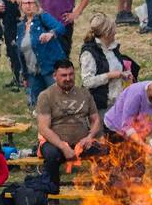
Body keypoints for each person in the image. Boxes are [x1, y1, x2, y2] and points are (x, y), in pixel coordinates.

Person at [38, 58, 103, 189]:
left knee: (104, 151)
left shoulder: (84, 93)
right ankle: (52, 196)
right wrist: (63, 147)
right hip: (55, 144)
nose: (68, 78)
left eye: (71, 74)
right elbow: (43, 128)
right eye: (63, 75)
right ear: (54, 75)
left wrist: (90, 137)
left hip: (82, 142)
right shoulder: (46, 96)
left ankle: (103, 193)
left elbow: (96, 119)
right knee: (52, 155)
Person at [16, 0, 67, 105]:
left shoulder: (43, 18)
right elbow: (20, 54)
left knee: (58, 102)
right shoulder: (20, 26)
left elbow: (61, 27)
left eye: (31, 2)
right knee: (39, 106)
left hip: (49, 69)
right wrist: (24, 75)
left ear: (36, 4)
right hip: (32, 73)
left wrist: (51, 34)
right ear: (21, 6)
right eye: (25, 3)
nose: (28, 6)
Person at [80, 13, 137, 115]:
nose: (115, 33)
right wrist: (110, 75)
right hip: (100, 106)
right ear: (106, 33)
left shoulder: (113, 48)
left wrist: (125, 74)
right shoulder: (89, 53)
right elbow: (87, 82)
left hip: (118, 102)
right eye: (113, 30)